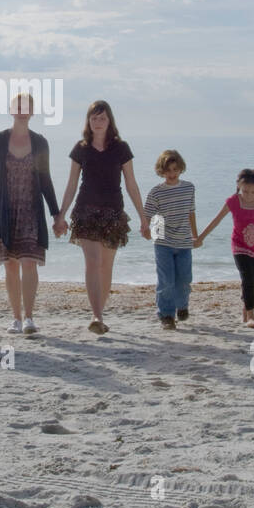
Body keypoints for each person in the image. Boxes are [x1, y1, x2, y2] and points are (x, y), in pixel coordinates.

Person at [0, 93, 64, 335]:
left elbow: (45, 179)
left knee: (30, 263)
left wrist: (56, 215)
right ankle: (16, 319)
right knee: (10, 266)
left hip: (31, 211)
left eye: (27, 106)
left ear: (32, 111)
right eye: (18, 106)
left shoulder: (40, 142)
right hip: (4, 210)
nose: (22, 110)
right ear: (11, 110)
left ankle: (29, 318)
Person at [57, 100, 149, 334]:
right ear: (88, 121)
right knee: (94, 262)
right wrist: (61, 214)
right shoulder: (81, 148)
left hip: (113, 213)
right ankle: (96, 316)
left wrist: (143, 218)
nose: (98, 122)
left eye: (103, 118)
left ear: (110, 121)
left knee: (106, 266)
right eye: (94, 118)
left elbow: (131, 184)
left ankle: (100, 312)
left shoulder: (121, 148)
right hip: (85, 211)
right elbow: (71, 185)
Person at [196, 168, 254, 328]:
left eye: (253, 192)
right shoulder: (233, 201)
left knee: (253, 281)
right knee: (247, 278)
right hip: (239, 246)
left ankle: (245, 308)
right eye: (245, 191)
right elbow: (216, 220)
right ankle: (251, 315)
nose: (248, 195)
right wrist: (201, 238)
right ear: (238, 187)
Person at [142, 149, 198, 330]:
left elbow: (191, 212)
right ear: (161, 171)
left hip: (184, 240)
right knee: (166, 280)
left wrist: (195, 235)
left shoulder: (189, 188)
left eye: (175, 169)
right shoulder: (156, 192)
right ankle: (166, 314)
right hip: (162, 242)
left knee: (184, 279)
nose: (172, 174)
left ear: (181, 168)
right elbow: (147, 214)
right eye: (168, 170)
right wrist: (145, 229)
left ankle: (182, 305)